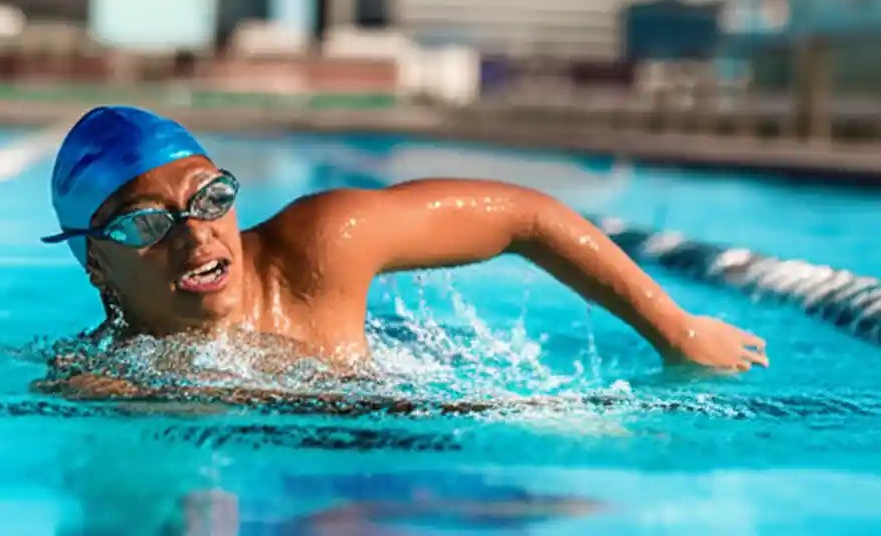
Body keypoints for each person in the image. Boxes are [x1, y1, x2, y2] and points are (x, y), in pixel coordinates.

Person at [39, 105, 767, 395]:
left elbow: (523, 216)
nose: (197, 234)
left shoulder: (321, 248)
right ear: (95, 263)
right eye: (145, 224)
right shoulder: (104, 383)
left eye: (212, 197)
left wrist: (680, 334)